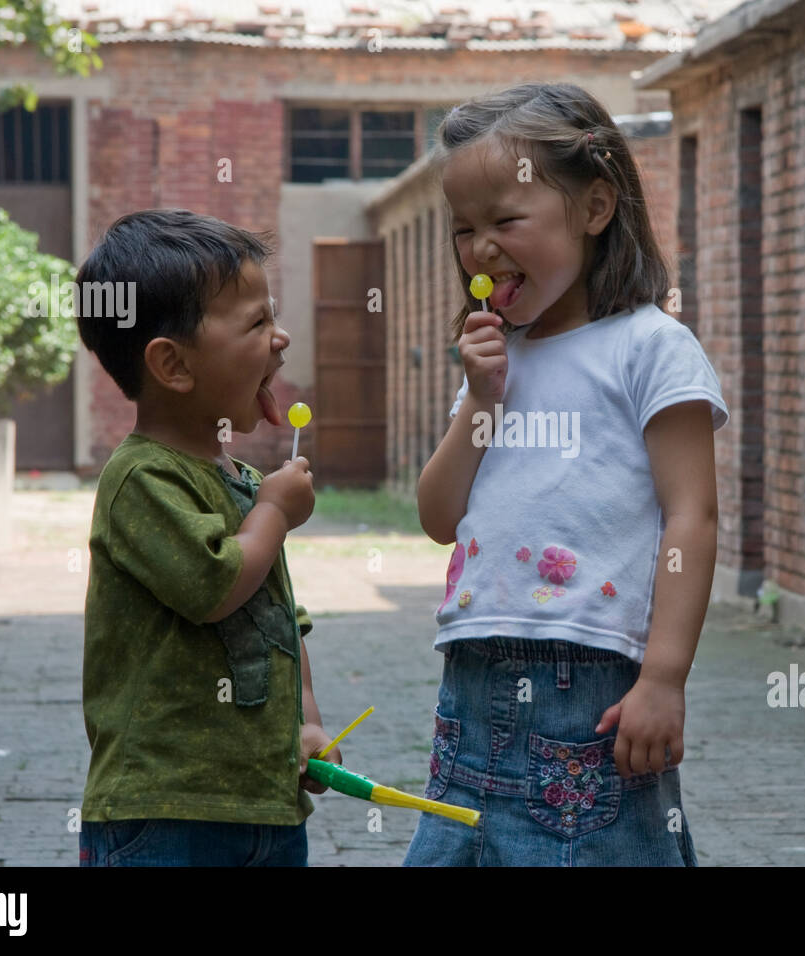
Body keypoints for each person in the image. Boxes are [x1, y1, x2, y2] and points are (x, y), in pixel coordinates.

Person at [405, 83, 728, 866]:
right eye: (464, 229)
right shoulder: (495, 362)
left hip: (591, 687)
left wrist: (664, 678)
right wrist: (479, 398)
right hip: (473, 676)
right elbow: (440, 515)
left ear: (595, 208)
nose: (482, 248)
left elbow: (692, 517)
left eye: (507, 221)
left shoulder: (650, 346)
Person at [73, 209, 340, 866]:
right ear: (174, 365)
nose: (280, 340)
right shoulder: (139, 478)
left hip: (266, 806)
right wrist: (274, 513)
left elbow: (281, 620)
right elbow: (216, 584)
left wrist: (307, 721)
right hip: (168, 817)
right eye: (256, 323)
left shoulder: (244, 481)